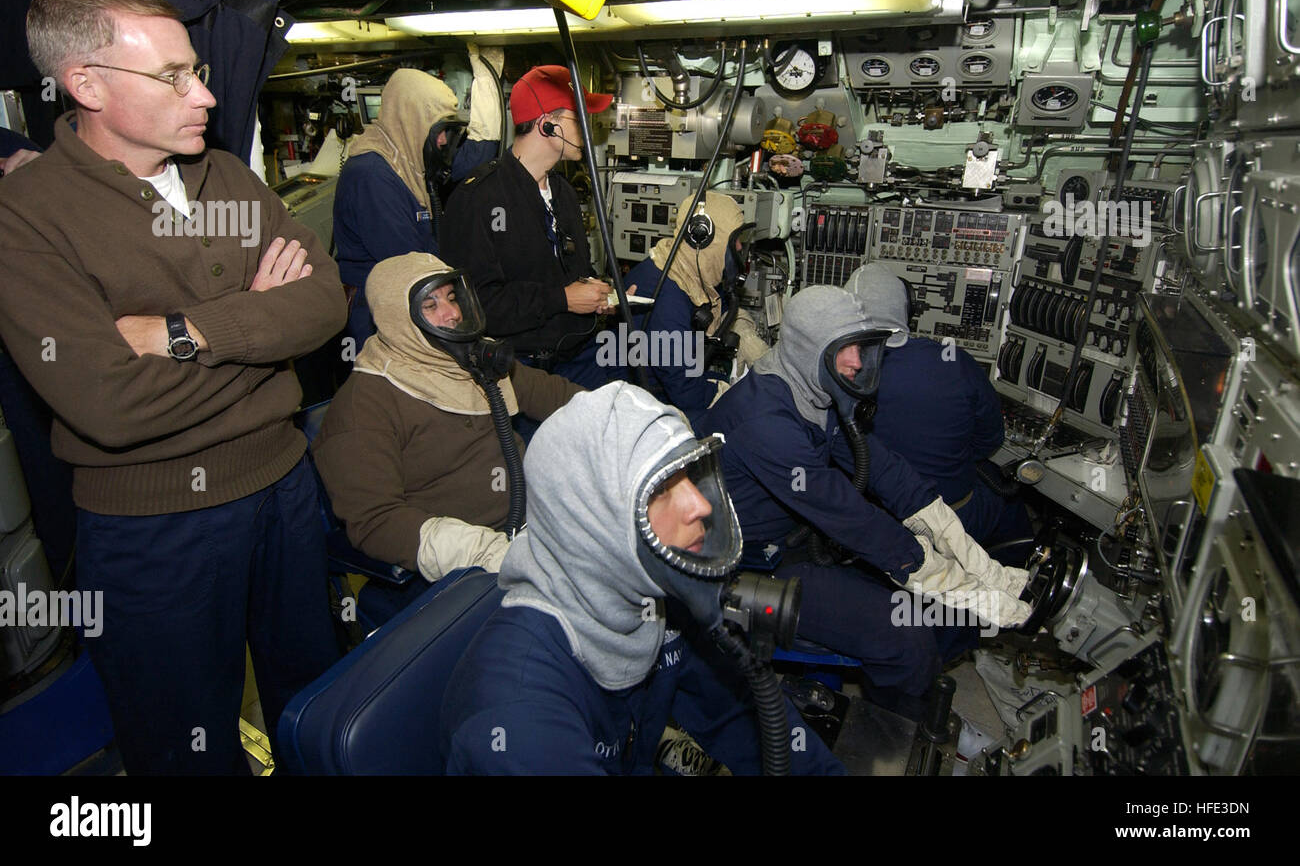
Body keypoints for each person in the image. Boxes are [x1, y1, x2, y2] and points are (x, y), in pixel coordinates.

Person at [0, 0, 346, 774]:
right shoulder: (29, 219)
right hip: (156, 533)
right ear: (84, 83)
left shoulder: (220, 175)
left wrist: (182, 332)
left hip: (286, 489)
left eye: (196, 69)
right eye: (172, 77)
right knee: (187, 746)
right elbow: (109, 405)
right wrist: (267, 342)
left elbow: (326, 301)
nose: (205, 95)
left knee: (318, 703)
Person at [439, 382, 845, 774]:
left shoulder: (654, 601)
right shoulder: (517, 721)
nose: (700, 504)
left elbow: (739, 715)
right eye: (661, 490)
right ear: (594, 524)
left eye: (691, 475)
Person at [702, 286, 1030, 713]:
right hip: (743, 568)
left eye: (863, 348)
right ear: (811, 350)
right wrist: (968, 593)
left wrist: (978, 564)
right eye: (845, 350)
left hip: (790, 539)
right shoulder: (766, 421)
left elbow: (885, 469)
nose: (858, 363)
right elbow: (849, 515)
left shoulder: (813, 390)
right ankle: (900, 731)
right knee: (907, 636)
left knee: (916, 591)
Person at [313, 252, 583, 581]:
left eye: (452, 298)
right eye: (431, 306)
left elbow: (554, 395)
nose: (453, 313)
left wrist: (628, 416)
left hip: (535, 519)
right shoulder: (364, 406)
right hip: (467, 562)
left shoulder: (472, 358)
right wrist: (480, 550)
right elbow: (376, 522)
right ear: (400, 317)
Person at [441, 65, 618, 389]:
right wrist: (562, 299)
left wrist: (597, 293)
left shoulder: (563, 192)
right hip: (520, 372)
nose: (587, 132)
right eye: (578, 120)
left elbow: (571, 269)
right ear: (547, 125)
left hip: (581, 359)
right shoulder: (477, 198)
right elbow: (476, 305)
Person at [847, 263, 1032, 552]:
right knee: (1004, 490)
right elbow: (989, 440)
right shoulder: (956, 362)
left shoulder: (839, 370)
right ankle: (1017, 574)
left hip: (878, 524)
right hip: (954, 519)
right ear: (907, 310)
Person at [333, 51, 501, 349]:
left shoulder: (408, 163)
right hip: (374, 318)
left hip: (413, 304)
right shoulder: (373, 174)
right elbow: (408, 264)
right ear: (412, 120)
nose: (443, 142)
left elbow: (474, 159)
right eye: (440, 131)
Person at [618, 191, 767, 431]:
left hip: (668, 386)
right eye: (735, 240)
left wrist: (746, 335)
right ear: (703, 238)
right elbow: (686, 392)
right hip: (644, 401)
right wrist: (733, 392)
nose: (740, 247)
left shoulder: (684, 270)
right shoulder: (665, 298)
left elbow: (722, 307)